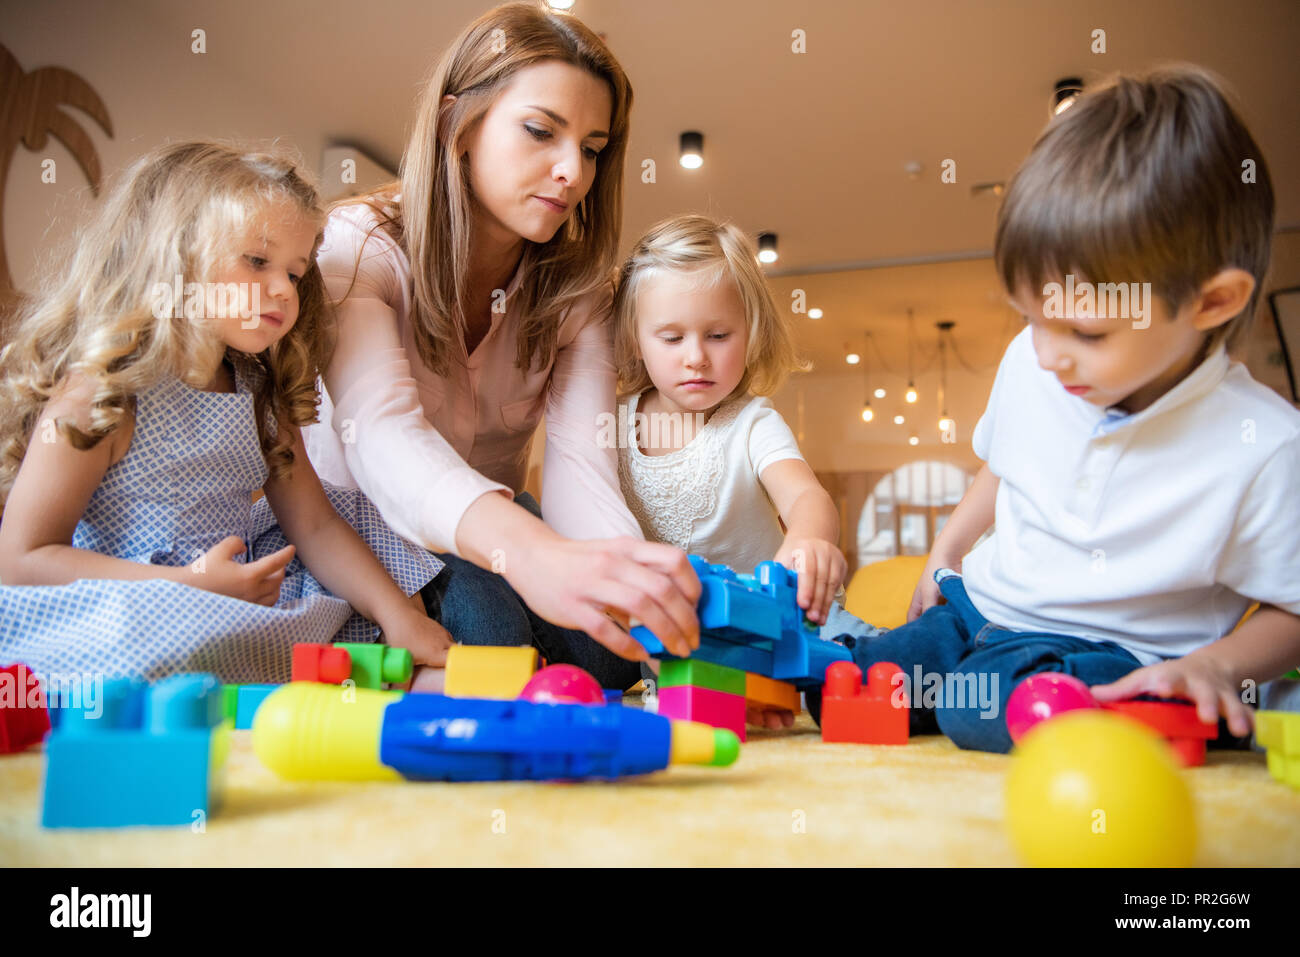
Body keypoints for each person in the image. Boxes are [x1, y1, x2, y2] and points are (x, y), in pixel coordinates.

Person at [807, 65, 1300, 753]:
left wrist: (1213, 667)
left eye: (1087, 333)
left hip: (1115, 652)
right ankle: (862, 660)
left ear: (1212, 302)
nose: (1047, 354)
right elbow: (1001, 468)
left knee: (985, 706)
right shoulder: (1032, 364)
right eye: (1032, 318)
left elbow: (1291, 607)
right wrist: (944, 553)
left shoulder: (1265, 445)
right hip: (978, 607)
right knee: (861, 680)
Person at [304, 1, 699, 691]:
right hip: (364, 522)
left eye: (593, 149)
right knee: (493, 641)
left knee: (613, 650)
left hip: (500, 523)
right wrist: (531, 553)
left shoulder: (579, 292)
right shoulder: (355, 248)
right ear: (459, 123)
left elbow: (582, 467)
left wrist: (631, 586)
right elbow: (385, 440)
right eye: (542, 131)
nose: (573, 170)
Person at [0, 141, 451, 685]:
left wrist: (397, 615)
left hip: (230, 594)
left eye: (294, 271)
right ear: (176, 254)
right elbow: (20, 561)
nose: (283, 289)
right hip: (127, 607)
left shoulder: (260, 394)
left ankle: (397, 660)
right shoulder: (103, 390)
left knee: (357, 511)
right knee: (149, 648)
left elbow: (314, 524)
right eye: (257, 261)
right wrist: (192, 583)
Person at [612, 215, 883, 727]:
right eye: (671, 338)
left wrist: (810, 542)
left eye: (717, 335)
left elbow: (806, 497)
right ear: (635, 336)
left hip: (783, 623)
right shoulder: (613, 421)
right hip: (678, 637)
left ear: (751, 331)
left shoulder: (752, 422)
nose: (696, 358)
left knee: (878, 668)